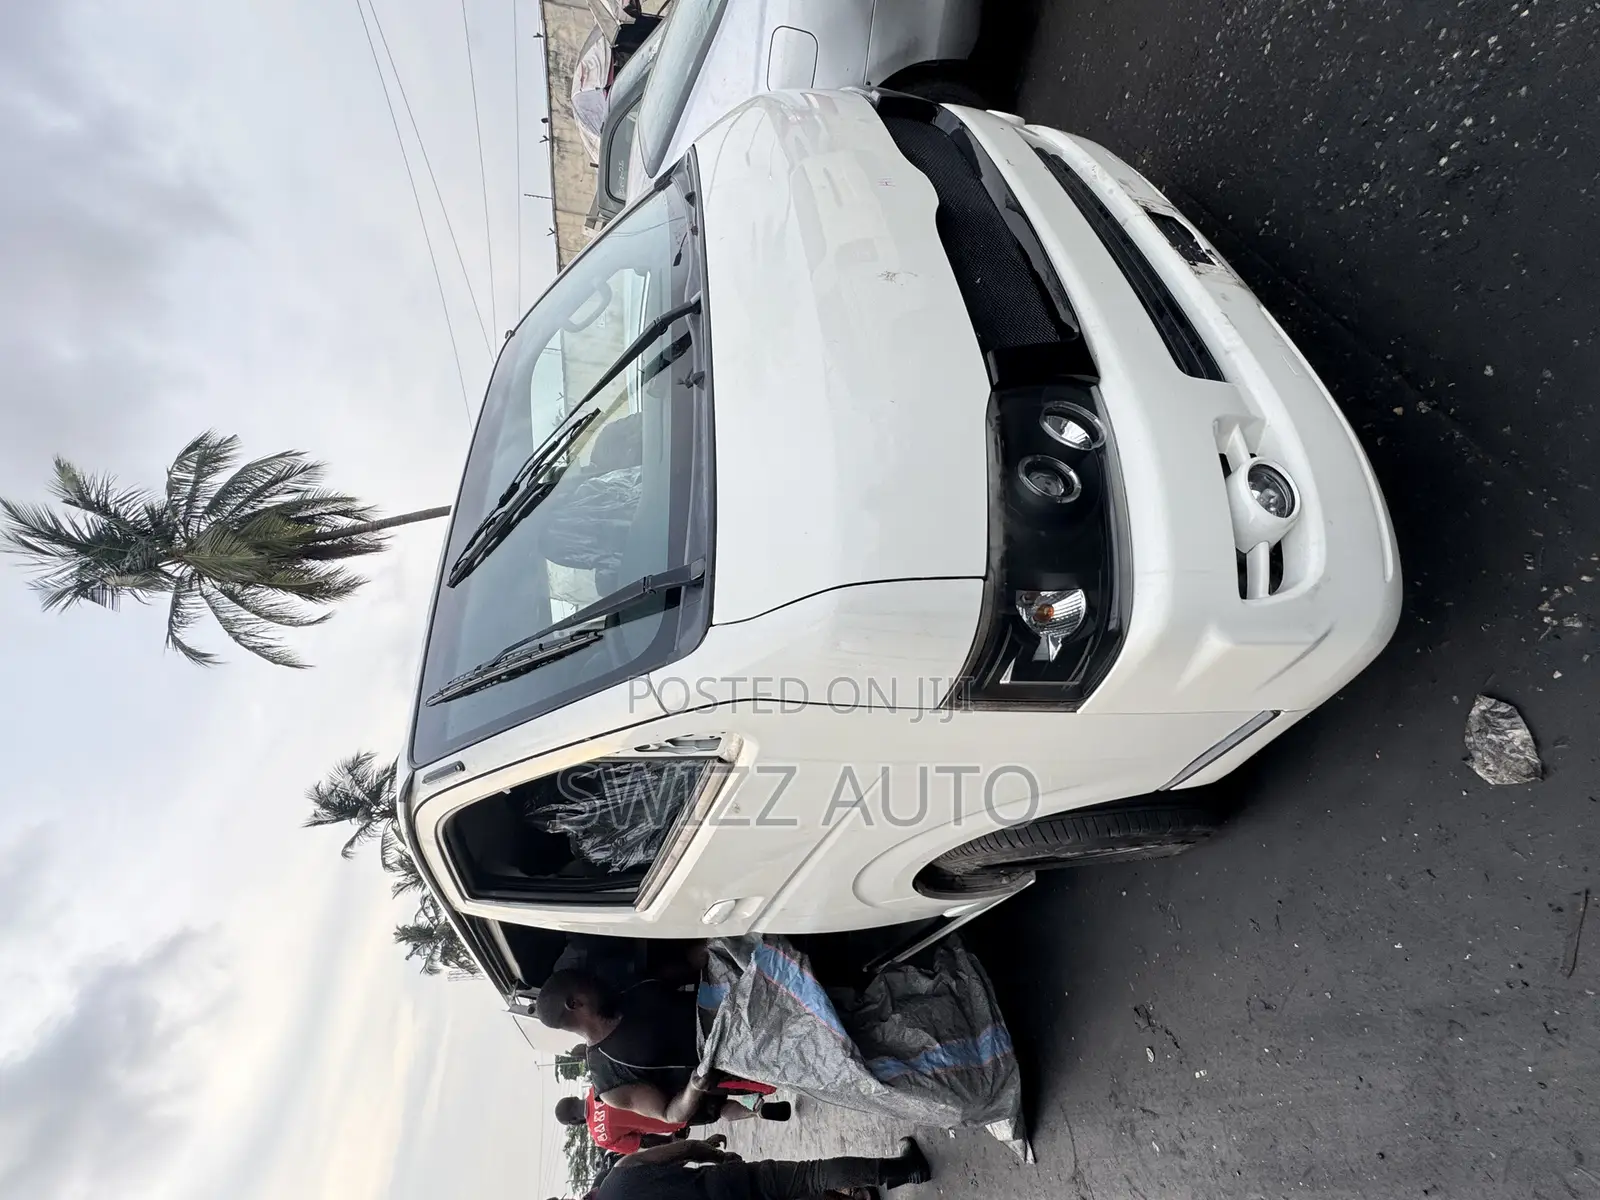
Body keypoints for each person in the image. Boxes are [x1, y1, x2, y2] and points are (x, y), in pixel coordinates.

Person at [536, 969, 787, 1126]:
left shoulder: (627, 988)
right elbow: (669, 1113)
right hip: (754, 1062)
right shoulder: (610, 1080)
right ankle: (756, 1112)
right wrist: (694, 1087)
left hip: (756, 1005)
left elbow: (692, 967)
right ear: (574, 1002)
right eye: (587, 980)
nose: (596, 978)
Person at [593, 1134, 933, 1200]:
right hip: (728, 1183)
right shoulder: (620, 1172)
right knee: (811, 1176)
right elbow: (687, 1148)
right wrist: (720, 1157)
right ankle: (906, 1167)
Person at [556, 1091, 680, 1156]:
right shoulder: (598, 1084)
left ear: (573, 1121)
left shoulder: (600, 1136)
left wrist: (669, 1140)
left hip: (673, 1117)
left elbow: (641, 1141)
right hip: (670, 1087)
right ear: (574, 1098)